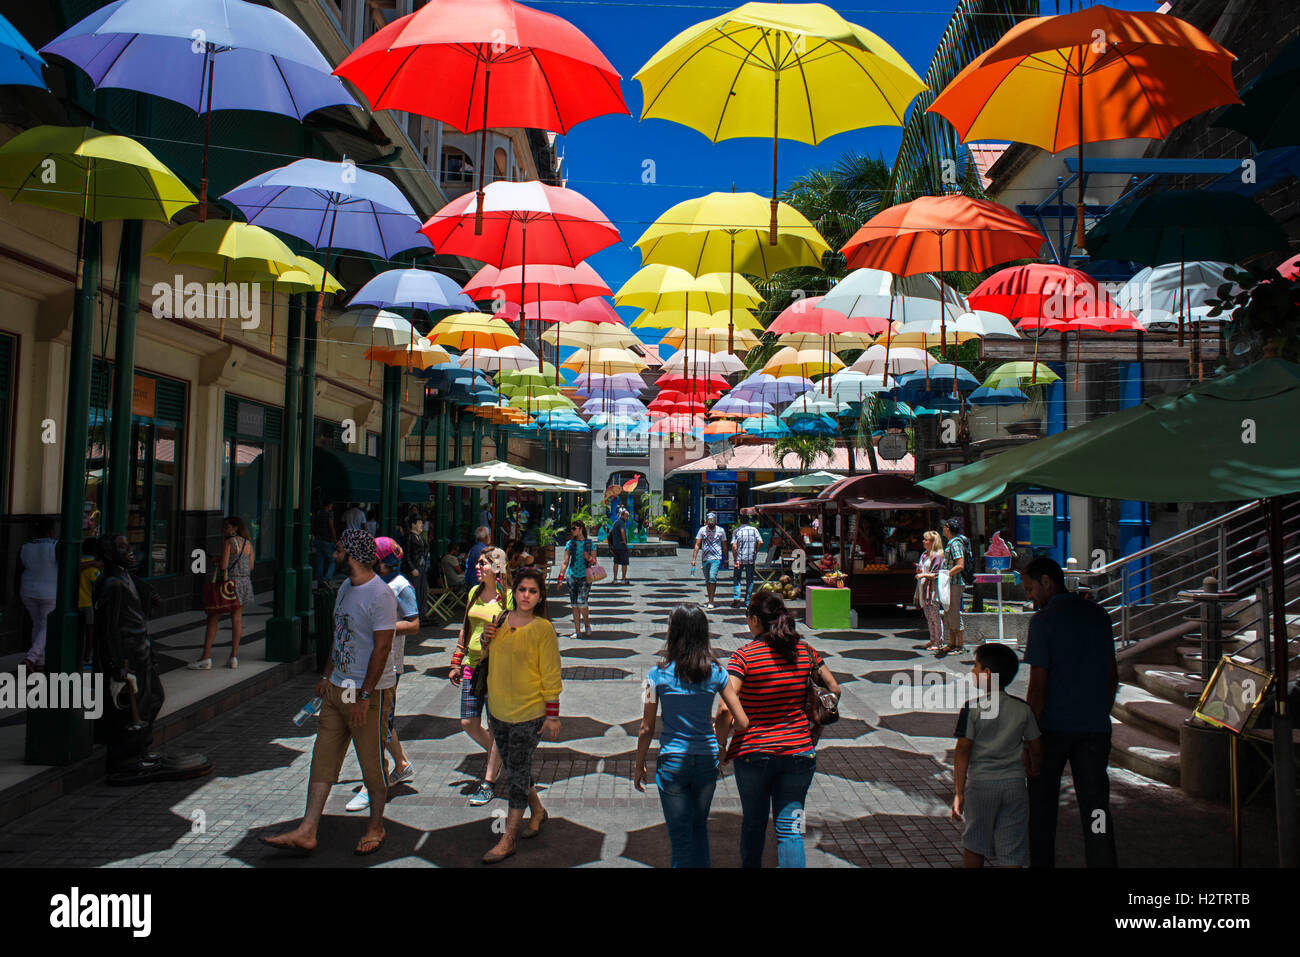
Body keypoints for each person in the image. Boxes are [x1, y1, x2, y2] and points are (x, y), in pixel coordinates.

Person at [263, 529, 396, 856]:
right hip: (338, 688)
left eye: (337, 550)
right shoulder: (344, 588)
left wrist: (365, 698)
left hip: (368, 694)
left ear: (352, 554)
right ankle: (308, 830)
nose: (333, 554)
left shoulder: (380, 595)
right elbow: (339, 635)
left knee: (372, 764)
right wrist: (326, 674)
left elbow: (382, 650)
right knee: (322, 760)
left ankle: (376, 825)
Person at [722, 590, 839, 868]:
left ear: (754, 620)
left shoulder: (744, 657)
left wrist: (721, 745)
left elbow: (726, 707)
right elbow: (833, 689)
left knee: (753, 822)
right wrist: (815, 730)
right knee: (791, 829)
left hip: (753, 753)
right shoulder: (805, 651)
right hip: (799, 753)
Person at [1022, 556, 1119, 868]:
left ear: (1047, 581)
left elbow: (1037, 686)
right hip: (1094, 727)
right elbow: (1112, 675)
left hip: (1051, 728)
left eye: (1030, 588)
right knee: (1096, 808)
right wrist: (1099, 713)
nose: (1030, 596)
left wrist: (1028, 734)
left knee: (1042, 808)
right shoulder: (1099, 615)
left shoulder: (1043, 621)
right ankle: (1102, 861)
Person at [634, 604, 748, 868]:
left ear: (672, 633)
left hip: (672, 761)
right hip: (707, 761)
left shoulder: (654, 676)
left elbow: (646, 727)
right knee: (699, 831)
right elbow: (741, 721)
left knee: (680, 837)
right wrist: (720, 742)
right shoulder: (718, 673)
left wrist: (639, 764)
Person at [479, 567, 563, 863]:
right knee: (517, 768)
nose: (526, 595)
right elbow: (485, 658)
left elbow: (551, 674)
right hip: (498, 710)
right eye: (522, 589)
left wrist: (552, 715)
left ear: (540, 597)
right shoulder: (500, 619)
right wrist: (485, 640)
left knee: (515, 773)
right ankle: (537, 810)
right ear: (514, 591)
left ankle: (508, 838)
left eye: (533, 591)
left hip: (529, 713)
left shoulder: (543, 629)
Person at [951, 643, 1043, 868]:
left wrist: (959, 792)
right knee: (1012, 848)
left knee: (975, 843)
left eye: (976, 666)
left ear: (988, 674)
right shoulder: (1022, 708)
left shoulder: (972, 708)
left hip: (982, 784)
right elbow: (1036, 746)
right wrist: (1033, 768)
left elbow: (963, 748)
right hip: (1014, 784)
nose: (972, 671)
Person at [346, 537, 418, 813]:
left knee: (374, 723)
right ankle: (400, 764)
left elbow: (413, 624)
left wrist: (380, 626)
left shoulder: (400, 586)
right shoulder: (369, 584)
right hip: (364, 663)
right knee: (380, 722)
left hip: (388, 664)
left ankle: (372, 783)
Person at [92, 532, 166, 778]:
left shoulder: (125, 578)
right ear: (110, 555)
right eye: (123, 548)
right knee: (130, 711)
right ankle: (126, 760)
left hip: (140, 652)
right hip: (128, 658)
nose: (130, 550)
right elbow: (109, 629)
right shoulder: (111, 583)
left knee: (153, 699)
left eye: (128, 546)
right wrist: (116, 666)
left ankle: (141, 750)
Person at [449, 547, 510, 806]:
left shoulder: (507, 597)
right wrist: (456, 658)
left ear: (497, 567)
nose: (477, 566)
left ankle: (488, 780)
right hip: (472, 667)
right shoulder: (474, 592)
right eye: (477, 563)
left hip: (496, 669)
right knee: (468, 722)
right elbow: (466, 627)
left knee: (495, 725)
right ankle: (501, 757)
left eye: (483, 563)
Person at [190, 516, 254, 670]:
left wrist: (217, 561)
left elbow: (224, 566)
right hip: (244, 584)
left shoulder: (228, 542)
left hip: (228, 586)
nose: (223, 530)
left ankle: (205, 657)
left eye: (226, 527)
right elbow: (251, 566)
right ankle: (233, 657)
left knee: (213, 618)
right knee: (237, 620)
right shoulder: (248, 544)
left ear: (235, 528)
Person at [18, 519, 58, 669]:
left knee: (37, 625)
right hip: (50, 592)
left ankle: (39, 661)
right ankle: (31, 657)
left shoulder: (25, 546)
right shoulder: (55, 546)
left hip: (28, 589)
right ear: (52, 531)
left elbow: (19, 570)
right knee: (45, 626)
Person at [557, 521, 596, 639]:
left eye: (574, 528)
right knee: (574, 605)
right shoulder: (570, 544)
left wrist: (588, 557)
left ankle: (587, 625)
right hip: (572, 576)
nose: (572, 530)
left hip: (585, 576)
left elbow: (594, 562)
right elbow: (565, 562)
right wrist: (560, 578)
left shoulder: (590, 544)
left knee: (582, 603)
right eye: (571, 528)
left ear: (581, 529)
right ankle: (578, 631)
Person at [939, 518, 970, 656]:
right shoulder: (950, 543)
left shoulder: (955, 544)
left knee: (954, 613)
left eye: (945, 527)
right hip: (950, 583)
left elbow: (960, 565)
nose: (943, 529)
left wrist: (946, 575)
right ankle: (952, 643)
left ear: (948, 528)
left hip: (954, 583)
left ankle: (960, 645)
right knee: (948, 612)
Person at [689, 512, 728, 610]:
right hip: (705, 558)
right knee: (707, 580)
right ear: (706, 521)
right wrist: (694, 559)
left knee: (712, 577)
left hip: (716, 557)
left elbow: (724, 545)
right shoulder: (702, 530)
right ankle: (710, 597)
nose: (710, 523)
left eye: (712, 521)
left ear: (715, 521)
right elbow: (697, 544)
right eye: (709, 521)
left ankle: (711, 600)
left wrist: (726, 558)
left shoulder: (720, 530)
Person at [916, 531, 945, 652]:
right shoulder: (924, 555)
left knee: (935, 616)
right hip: (923, 588)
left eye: (926, 540)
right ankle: (933, 639)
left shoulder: (937, 556)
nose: (923, 541)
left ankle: (939, 641)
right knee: (928, 616)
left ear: (932, 542)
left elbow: (936, 574)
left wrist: (923, 574)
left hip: (932, 590)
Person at [730, 510, 763, 609]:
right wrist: (755, 551)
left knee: (737, 578)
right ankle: (748, 601)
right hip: (750, 559)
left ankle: (737, 596)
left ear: (740, 521)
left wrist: (735, 559)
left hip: (739, 559)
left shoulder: (736, 531)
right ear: (748, 521)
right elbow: (760, 542)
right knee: (750, 580)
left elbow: (734, 546)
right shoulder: (754, 530)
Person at [78, 539, 103, 666]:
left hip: (77, 603)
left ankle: (77, 654)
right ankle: (87, 657)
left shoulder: (78, 563)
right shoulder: (94, 569)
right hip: (88, 603)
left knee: (78, 632)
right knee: (90, 631)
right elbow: (98, 585)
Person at [401, 517, 429, 623]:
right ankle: (414, 614)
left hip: (421, 568)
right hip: (414, 569)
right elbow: (406, 554)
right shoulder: (409, 537)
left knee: (422, 591)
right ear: (413, 525)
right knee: (415, 591)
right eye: (419, 523)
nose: (422, 524)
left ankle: (422, 614)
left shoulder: (420, 537)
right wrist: (412, 568)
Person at [311, 493, 337, 586]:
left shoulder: (318, 513)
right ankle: (327, 579)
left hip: (318, 540)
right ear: (329, 505)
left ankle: (320, 582)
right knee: (332, 561)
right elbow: (331, 528)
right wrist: (335, 540)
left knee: (320, 562)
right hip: (326, 540)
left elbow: (313, 526)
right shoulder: (329, 514)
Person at [608, 508, 631, 584]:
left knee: (616, 562)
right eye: (627, 516)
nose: (627, 518)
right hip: (621, 546)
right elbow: (622, 531)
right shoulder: (621, 523)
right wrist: (624, 541)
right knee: (624, 563)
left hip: (615, 546)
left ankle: (615, 579)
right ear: (622, 515)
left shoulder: (616, 522)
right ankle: (623, 579)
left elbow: (610, 534)